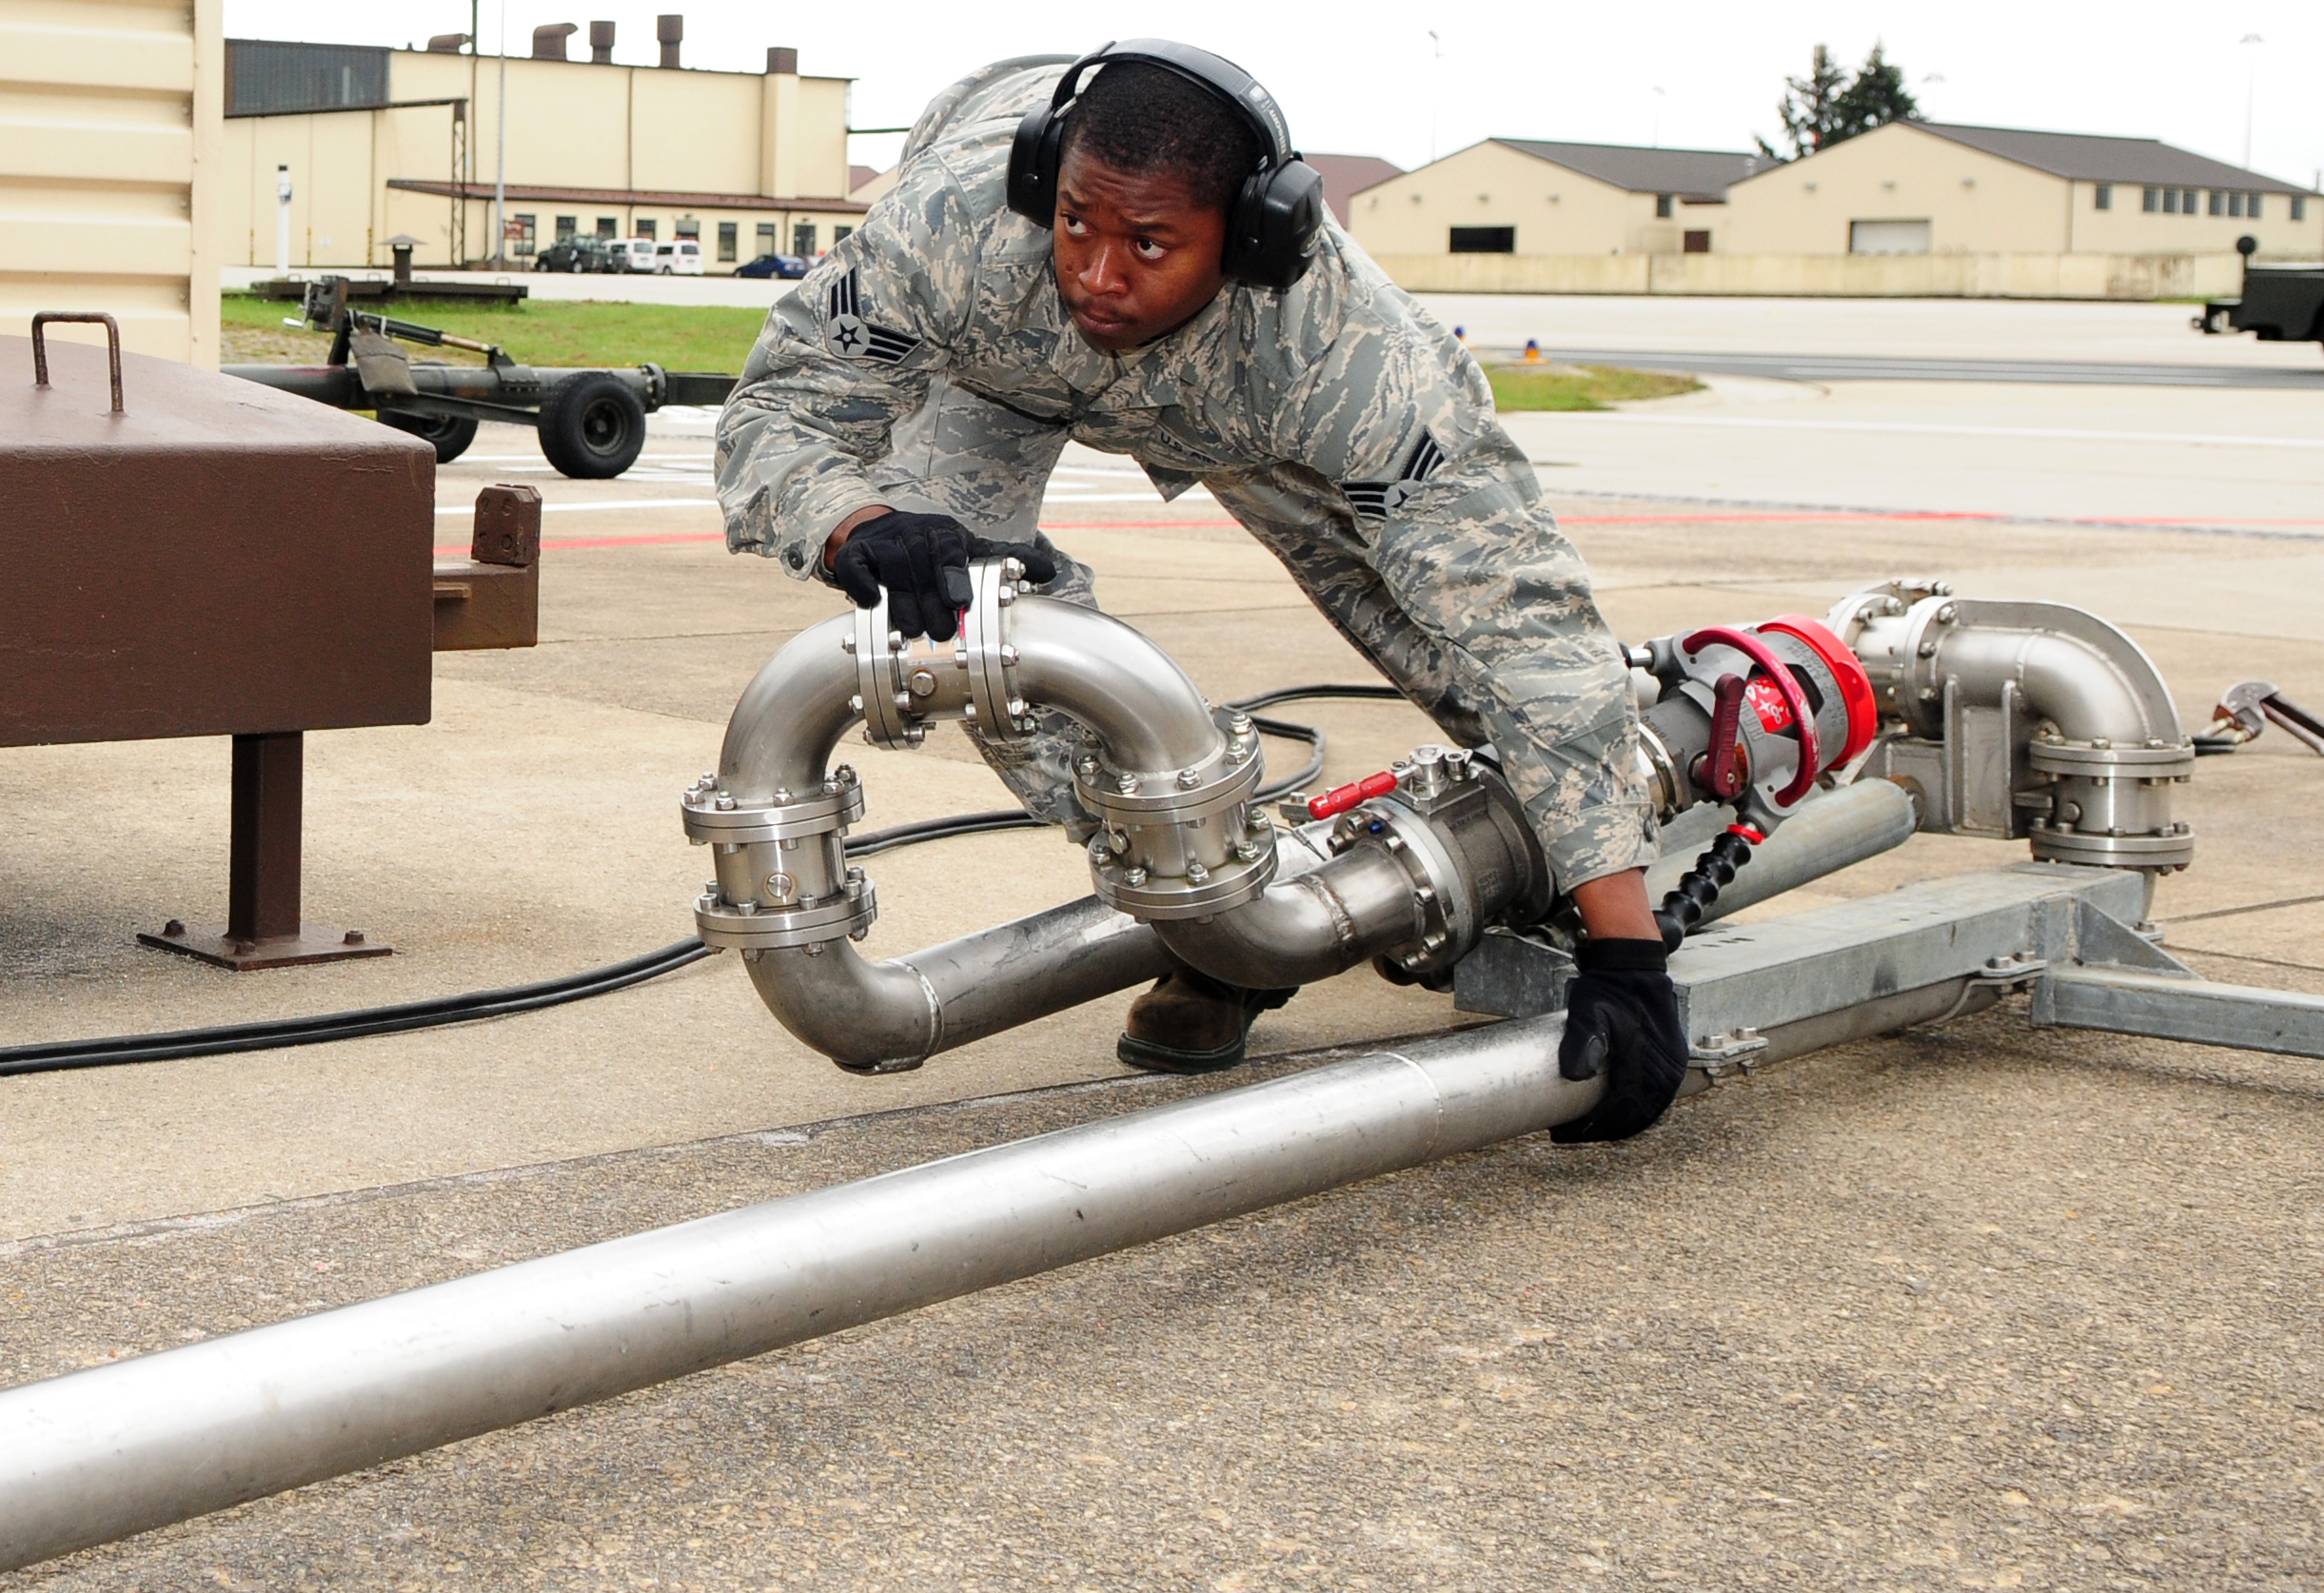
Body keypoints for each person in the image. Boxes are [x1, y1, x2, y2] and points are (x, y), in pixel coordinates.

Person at [718, 42, 1687, 1141]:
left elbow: (1515, 615)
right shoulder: (958, 228)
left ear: (1254, 235)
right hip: (996, 374)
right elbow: (779, 411)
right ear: (1044, 184)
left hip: (1242, 402)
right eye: (1077, 222)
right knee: (973, 623)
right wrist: (857, 522)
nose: (1096, 273)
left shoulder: (1346, 353)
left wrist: (1626, 951)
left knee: (1437, 633)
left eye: (1150, 244)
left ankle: (1591, 852)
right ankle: (1223, 920)